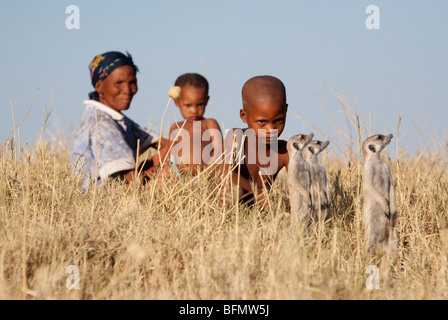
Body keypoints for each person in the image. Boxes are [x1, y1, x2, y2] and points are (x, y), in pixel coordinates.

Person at [71, 51, 170, 190]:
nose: (127, 90)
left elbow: (164, 144)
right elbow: (133, 181)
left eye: (132, 82)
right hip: (101, 200)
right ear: (99, 87)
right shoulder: (101, 123)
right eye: (119, 83)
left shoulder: (114, 118)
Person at [223, 75, 290, 207]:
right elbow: (224, 173)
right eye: (262, 122)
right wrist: (258, 193)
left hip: (262, 209)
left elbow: (298, 187)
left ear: (286, 111)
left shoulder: (285, 152)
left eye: (278, 120)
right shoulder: (237, 137)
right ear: (244, 116)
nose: (271, 129)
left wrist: (283, 204)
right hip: (231, 206)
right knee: (233, 192)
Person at [168, 73, 222, 177]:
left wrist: (210, 172)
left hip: (207, 177)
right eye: (188, 105)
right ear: (176, 102)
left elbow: (219, 150)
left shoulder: (209, 124)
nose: (194, 110)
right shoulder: (175, 127)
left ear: (206, 101)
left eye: (200, 104)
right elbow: (171, 157)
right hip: (181, 179)